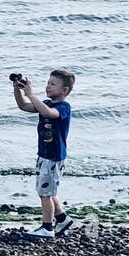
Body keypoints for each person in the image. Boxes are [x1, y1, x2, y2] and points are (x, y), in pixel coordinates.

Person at [11, 68, 76, 239]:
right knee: (45, 190)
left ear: (64, 90)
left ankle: (47, 228)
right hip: (44, 154)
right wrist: (17, 90)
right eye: (48, 83)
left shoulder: (63, 107)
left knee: (45, 193)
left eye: (53, 84)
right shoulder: (46, 103)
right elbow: (23, 106)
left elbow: (49, 114)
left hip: (54, 157)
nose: (48, 86)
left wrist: (31, 94)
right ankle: (62, 219)